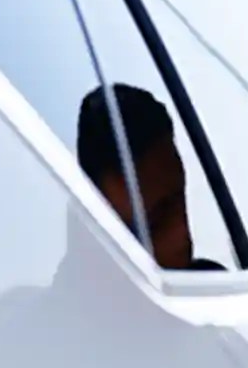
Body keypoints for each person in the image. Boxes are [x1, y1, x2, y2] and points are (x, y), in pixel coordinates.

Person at [77, 83, 225, 271]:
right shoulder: (81, 297)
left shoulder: (209, 282)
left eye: (180, 201)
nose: (182, 236)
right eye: (155, 224)